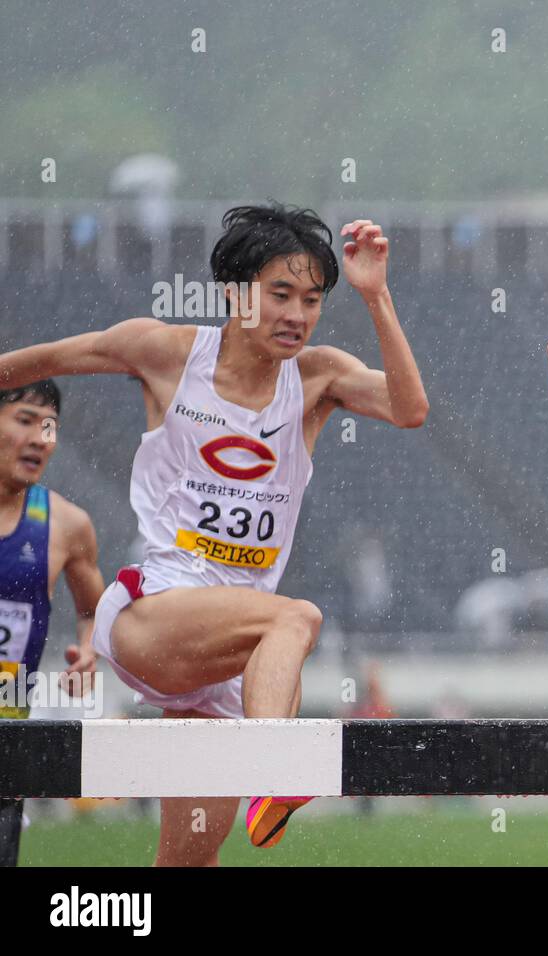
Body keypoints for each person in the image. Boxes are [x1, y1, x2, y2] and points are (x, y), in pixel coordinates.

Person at [0, 204, 429, 864]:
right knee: (298, 619)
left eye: (312, 299)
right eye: (279, 294)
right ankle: (275, 770)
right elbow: (31, 366)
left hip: (227, 654)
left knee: (191, 857)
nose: (296, 315)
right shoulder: (168, 353)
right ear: (234, 291)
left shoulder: (318, 377)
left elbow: (410, 408)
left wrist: (376, 297)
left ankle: (264, 768)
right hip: (156, 614)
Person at [0, 379, 105, 866]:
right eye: (25, 421)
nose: (41, 439)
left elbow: (92, 611)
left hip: (6, 740)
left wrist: (89, 650)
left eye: (49, 428)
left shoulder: (66, 525)